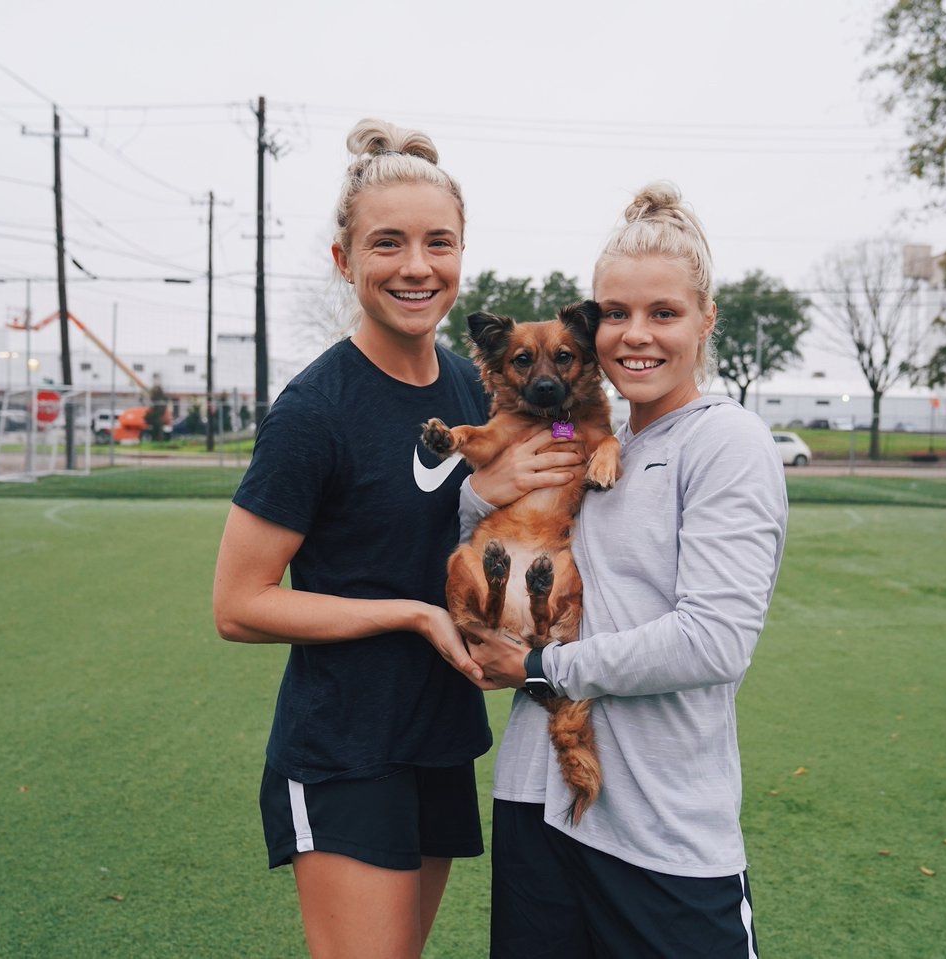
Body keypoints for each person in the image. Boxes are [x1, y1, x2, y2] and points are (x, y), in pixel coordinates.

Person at [212, 118, 581, 959]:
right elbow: (238, 605)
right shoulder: (315, 411)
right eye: (388, 244)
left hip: (439, 734)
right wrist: (411, 616)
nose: (416, 266)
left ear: (460, 256)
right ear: (344, 260)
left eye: (437, 243)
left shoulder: (471, 384)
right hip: (346, 745)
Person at [464, 183, 788, 958]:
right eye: (615, 312)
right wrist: (478, 497)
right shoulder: (571, 439)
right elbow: (496, 548)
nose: (635, 335)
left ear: (707, 318)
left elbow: (711, 641)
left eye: (663, 313)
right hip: (534, 802)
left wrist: (542, 665)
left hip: (661, 826)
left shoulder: (727, 443)